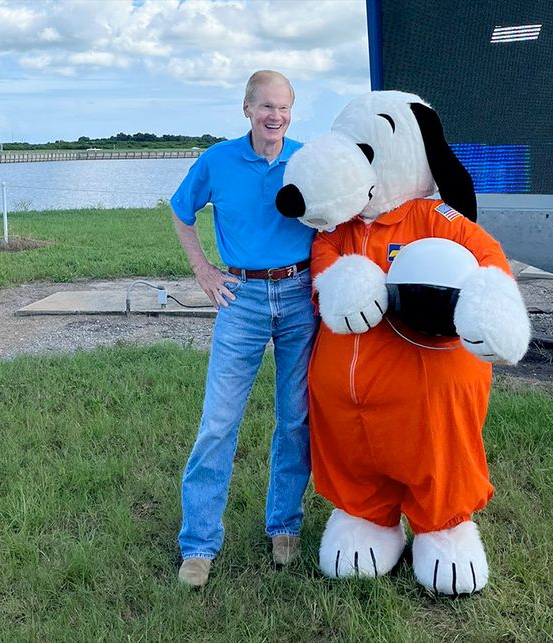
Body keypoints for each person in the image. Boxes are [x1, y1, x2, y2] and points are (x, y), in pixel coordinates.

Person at [169, 70, 317, 587]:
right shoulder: (217, 160)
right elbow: (181, 212)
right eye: (266, 106)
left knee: (295, 419)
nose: (276, 116)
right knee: (218, 422)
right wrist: (203, 272)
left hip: (300, 295)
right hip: (242, 298)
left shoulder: (307, 160)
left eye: (284, 107)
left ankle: (284, 525)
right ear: (247, 109)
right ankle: (199, 543)